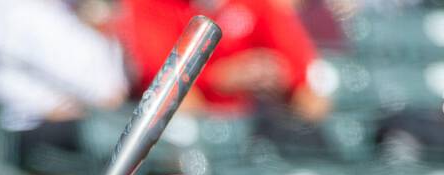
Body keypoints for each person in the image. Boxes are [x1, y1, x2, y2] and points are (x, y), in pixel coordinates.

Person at [0, 0, 128, 161]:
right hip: (34, 122)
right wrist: (49, 107)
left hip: (93, 115)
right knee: (116, 136)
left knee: (131, 132)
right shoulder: (19, 13)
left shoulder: (78, 15)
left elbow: (112, 88)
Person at [117, 0, 331, 123]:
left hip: (252, 122)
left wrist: (275, 72)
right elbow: (163, 81)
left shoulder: (257, 4)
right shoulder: (151, 5)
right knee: (177, 102)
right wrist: (219, 77)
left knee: (312, 103)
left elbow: (303, 73)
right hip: (184, 125)